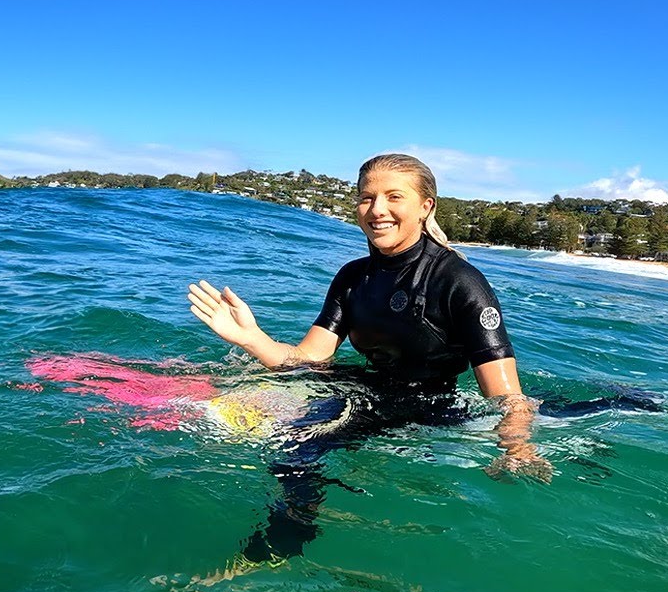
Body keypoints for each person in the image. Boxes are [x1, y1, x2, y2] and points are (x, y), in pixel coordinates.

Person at [188, 153, 549, 480]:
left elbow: (507, 397)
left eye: (394, 196)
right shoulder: (352, 276)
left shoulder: (459, 281)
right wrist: (252, 337)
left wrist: (517, 448)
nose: (377, 209)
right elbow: (309, 358)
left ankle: (277, 545)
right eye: (367, 198)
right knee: (231, 381)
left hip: (425, 407)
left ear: (425, 206)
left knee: (297, 451)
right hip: (364, 386)